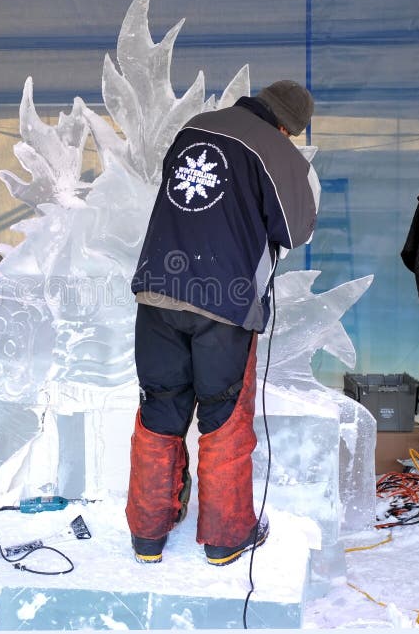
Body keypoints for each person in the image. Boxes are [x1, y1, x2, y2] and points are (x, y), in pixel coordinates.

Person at [126, 80, 318, 566]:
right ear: (286, 126)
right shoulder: (275, 149)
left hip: (157, 291)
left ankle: (148, 534)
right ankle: (226, 537)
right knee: (223, 418)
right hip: (223, 302)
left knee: (159, 410)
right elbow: (295, 231)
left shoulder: (195, 127)